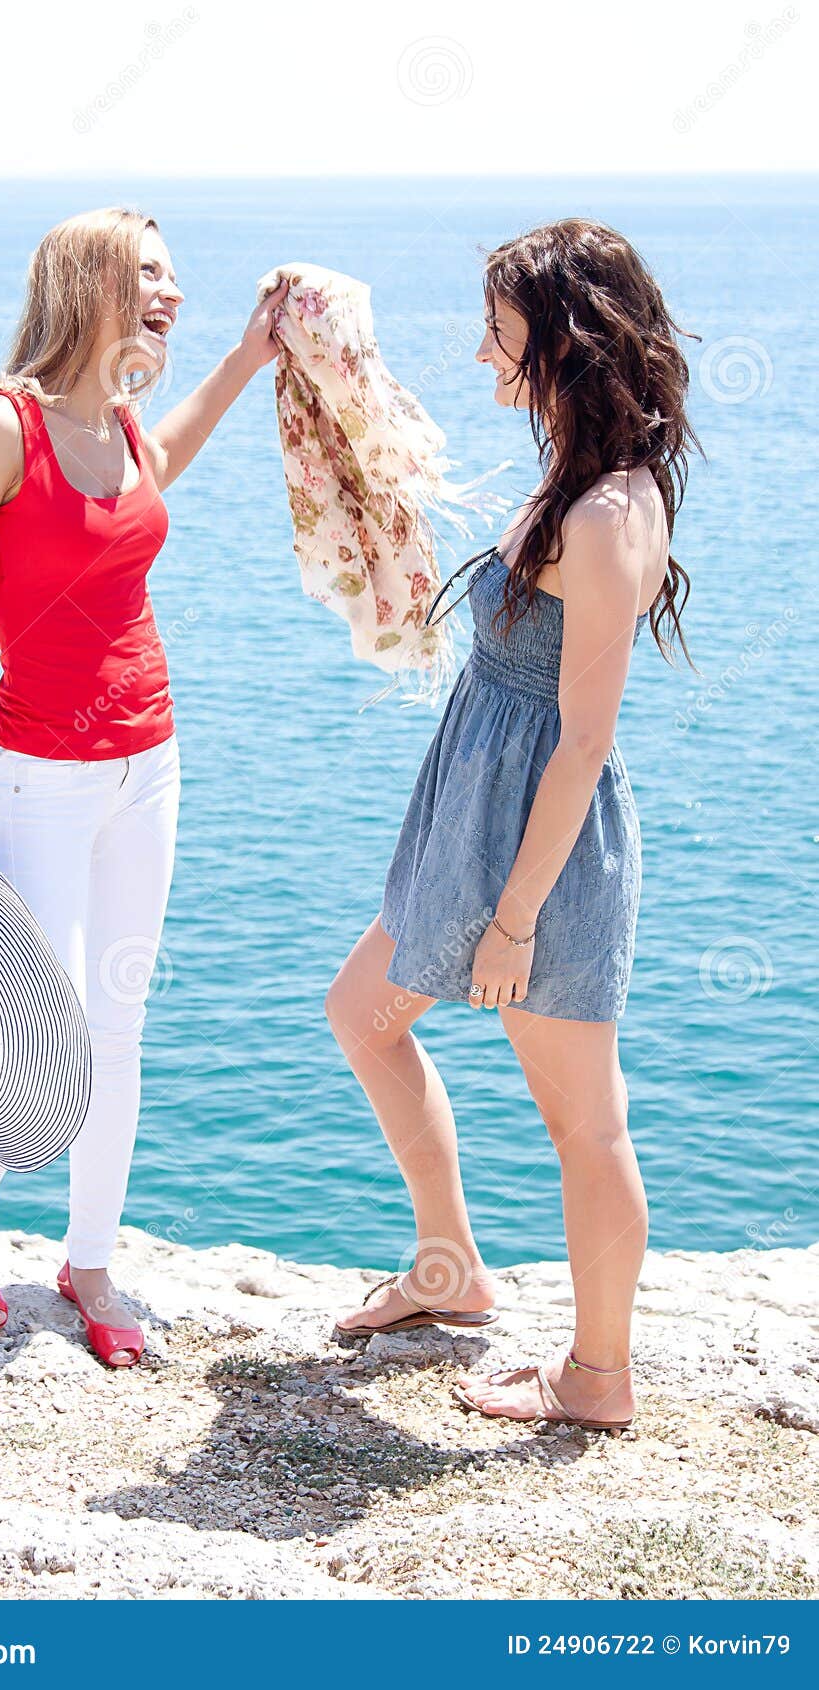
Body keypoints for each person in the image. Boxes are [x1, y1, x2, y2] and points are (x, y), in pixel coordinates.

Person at [328, 219, 700, 1430]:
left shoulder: (604, 513)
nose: (483, 353)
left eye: (498, 332)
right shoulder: (571, 478)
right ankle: (448, 1268)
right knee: (360, 1013)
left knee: (583, 1122)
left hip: (541, 845)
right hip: (473, 813)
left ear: (564, 339)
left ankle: (597, 1376)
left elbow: (583, 738)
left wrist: (514, 918)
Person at [0, 206, 287, 1364]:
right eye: (149, 274)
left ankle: (88, 1263)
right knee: (38, 1026)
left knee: (117, 1025)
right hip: (37, 778)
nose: (169, 293)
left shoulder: (118, 421)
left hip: (149, 765)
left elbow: (158, 461)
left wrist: (247, 357)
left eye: (174, 277)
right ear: (89, 282)